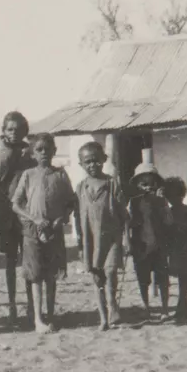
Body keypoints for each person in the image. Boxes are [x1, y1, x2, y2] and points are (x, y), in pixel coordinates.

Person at [11, 133, 76, 334]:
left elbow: (71, 202)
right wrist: (34, 218)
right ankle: (38, 319)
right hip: (32, 231)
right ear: (33, 152)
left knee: (51, 276)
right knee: (36, 275)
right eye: (39, 149)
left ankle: (50, 316)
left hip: (54, 231)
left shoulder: (61, 175)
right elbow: (16, 204)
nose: (44, 153)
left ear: (54, 151)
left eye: (47, 149)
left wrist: (61, 218)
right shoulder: (28, 175)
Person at [73, 141, 127, 330]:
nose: (92, 165)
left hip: (111, 238)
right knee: (97, 279)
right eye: (87, 162)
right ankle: (103, 318)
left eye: (96, 161)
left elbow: (123, 213)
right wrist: (80, 243)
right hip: (91, 241)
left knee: (111, 271)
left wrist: (125, 237)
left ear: (104, 160)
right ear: (81, 164)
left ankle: (112, 305)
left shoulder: (112, 184)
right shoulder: (80, 188)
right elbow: (77, 218)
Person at [0, 111, 36, 324]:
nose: (14, 133)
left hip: (26, 212)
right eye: (10, 129)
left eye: (18, 130)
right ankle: (11, 304)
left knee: (28, 260)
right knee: (10, 261)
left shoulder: (32, 153)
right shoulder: (0, 153)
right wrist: (9, 149)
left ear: (25, 131)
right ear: (4, 131)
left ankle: (31, 304)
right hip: (8, 214)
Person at [128, 162, 170, 320]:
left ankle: (164, 308)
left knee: (162, 278)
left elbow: (168, 221)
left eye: (151, 184)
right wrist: (128, 242)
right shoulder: (133, 202)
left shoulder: (162, 201)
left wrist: (162, 204)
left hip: (159, 245)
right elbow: (128, 223)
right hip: (141, 245)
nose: (147, 188)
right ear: (138, 185)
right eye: (144, 184)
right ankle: (145, 306)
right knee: (143, 278)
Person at [160, 176, 187, 323]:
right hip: (180, 248)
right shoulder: (185, 211)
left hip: (182, 248)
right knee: (184, 279)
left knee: (183, 278)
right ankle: (183, 306)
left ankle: (182, 306)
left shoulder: (186, 212)